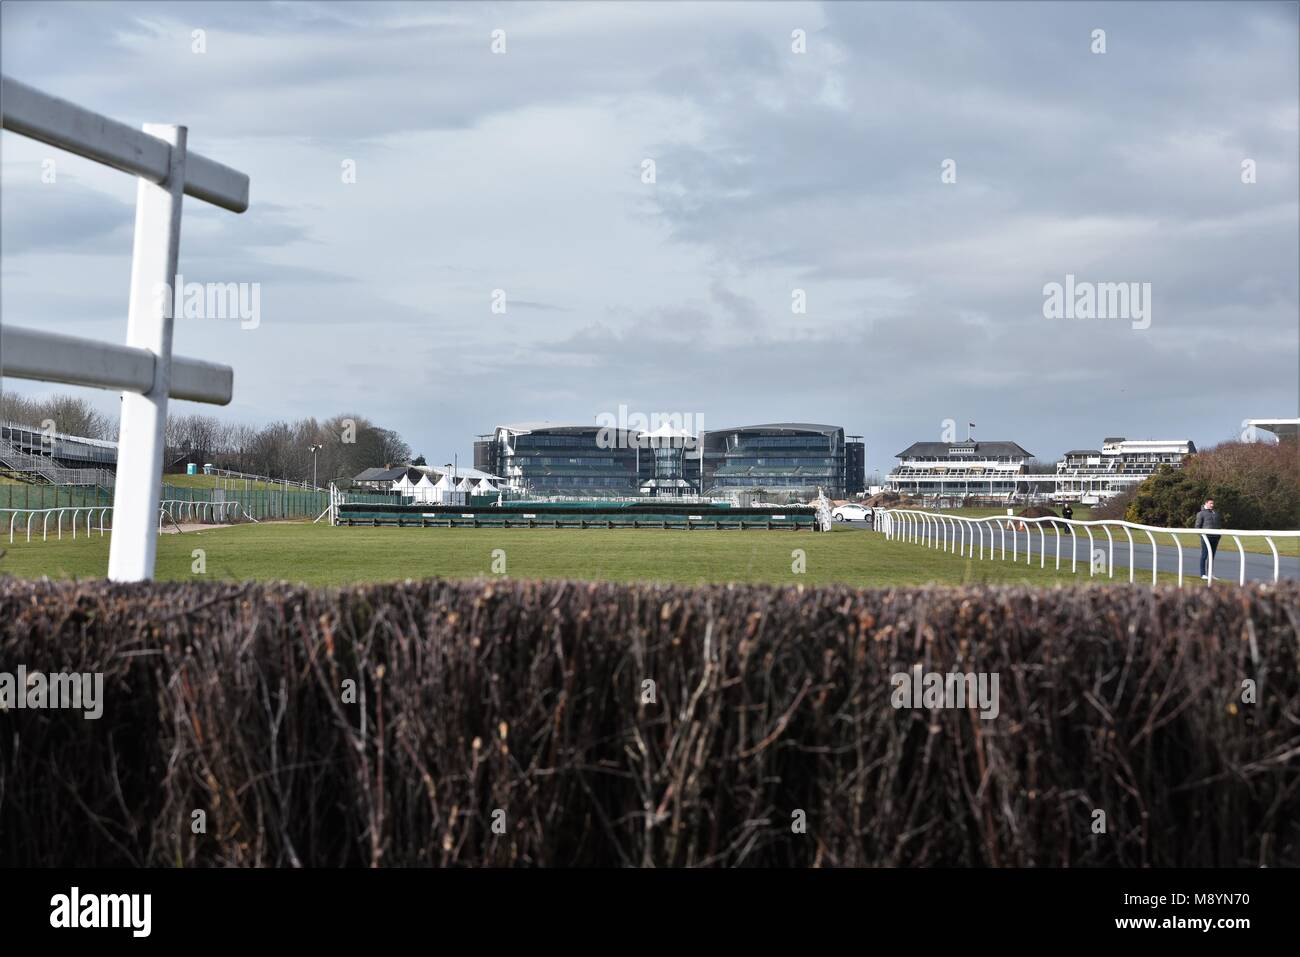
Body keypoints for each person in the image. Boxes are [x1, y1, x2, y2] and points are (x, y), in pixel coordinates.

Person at [1193, 498, 1222, 579]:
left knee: (1212, 556)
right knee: (1204, 555)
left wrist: (1219, 536)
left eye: (1213, 503)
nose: (1212, 505)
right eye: (1210, 503)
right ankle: (1203, 574)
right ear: (1206, 503)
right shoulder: (1200, 513)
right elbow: (1197, 527)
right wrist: (1203, 536)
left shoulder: (1216, 513)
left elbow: (1219, 526)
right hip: (1206, 537)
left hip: (1215, 538)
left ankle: (1210, 574)